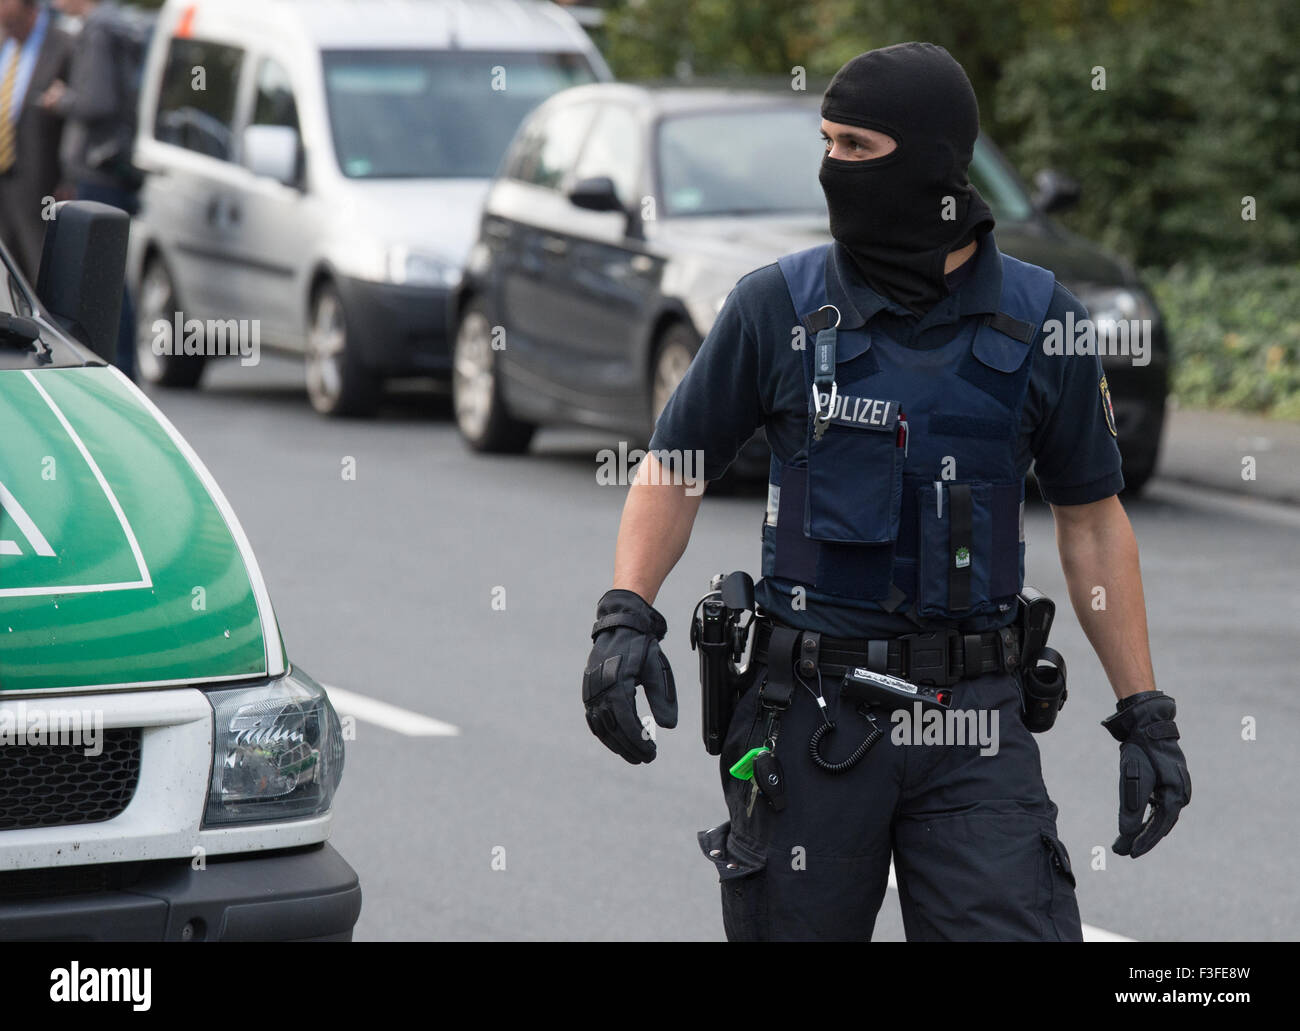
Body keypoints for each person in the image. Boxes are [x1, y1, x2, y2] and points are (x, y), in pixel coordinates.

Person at [581, 42, 1191, 941]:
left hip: (974, 727)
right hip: (812, 720)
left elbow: (1092, 521)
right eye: (825, 143)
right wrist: (625, 614)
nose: (833, 168)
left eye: (857, 147)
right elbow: (676, 466)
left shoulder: (1043, 320)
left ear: (936, 162)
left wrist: (1146, 711)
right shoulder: (776, 308)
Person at [40, 0, 138, 378]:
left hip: (98, 167)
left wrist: (61, 98)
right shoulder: (116, 24)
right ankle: (123, 364)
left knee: (102, 272)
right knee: (111, 268)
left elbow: (98, 101)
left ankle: (114, 366)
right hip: (111, 164)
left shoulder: (97, 30)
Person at [0, 0, 72, 281]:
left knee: (41, 272)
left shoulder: (64, 45)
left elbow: (76, 117)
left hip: (41, 184)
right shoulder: (6, 43)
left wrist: (69, 177)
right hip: (3, 181)